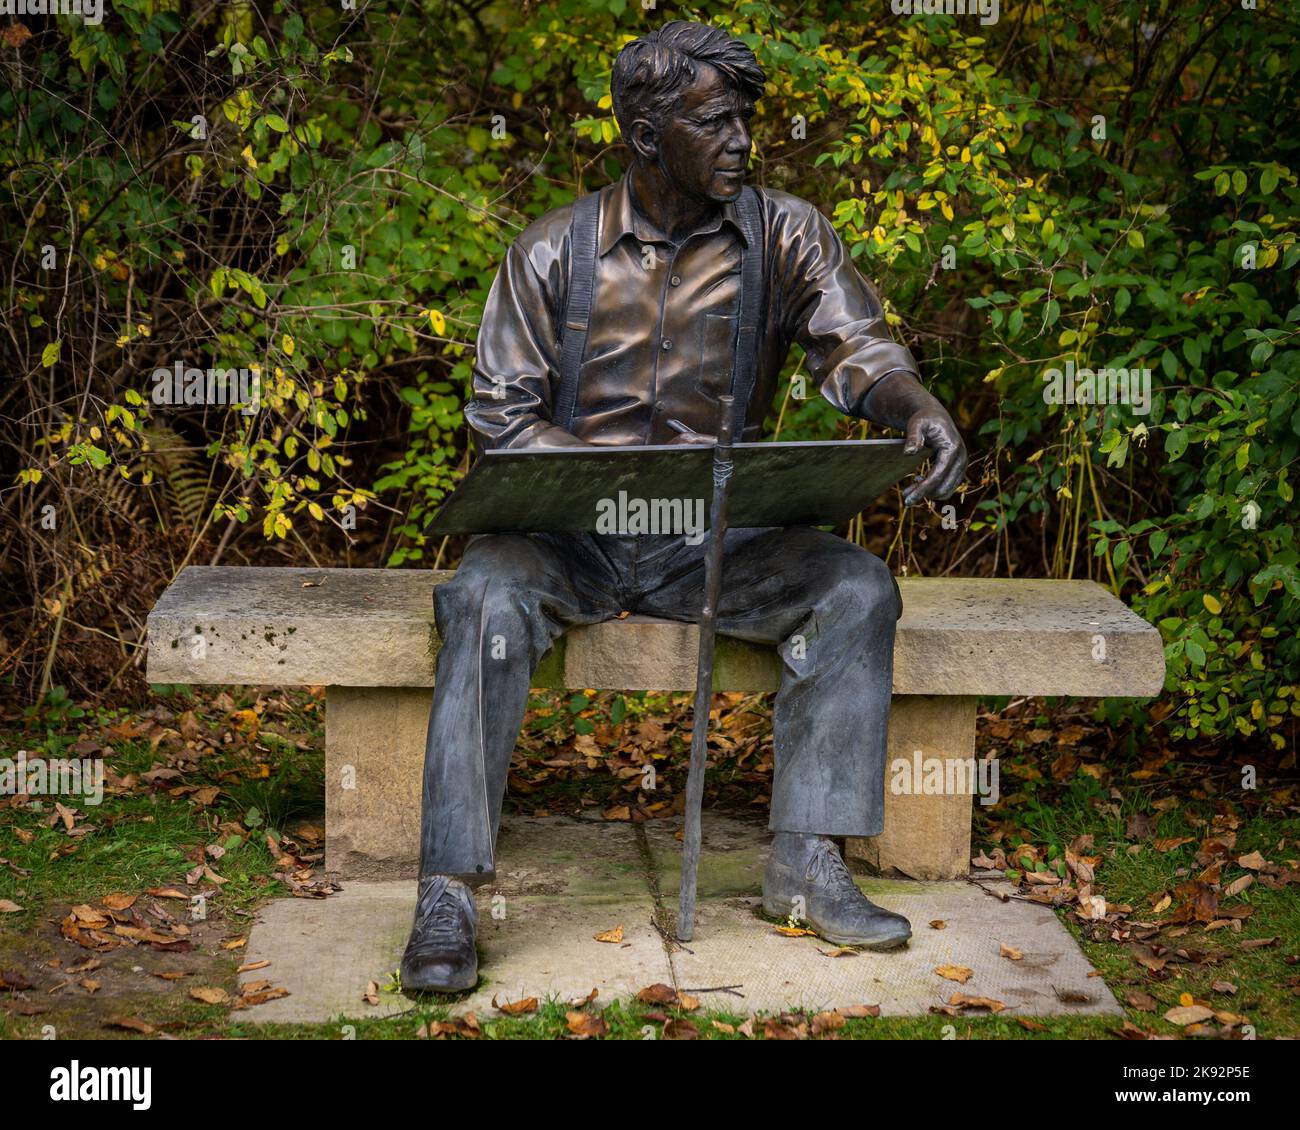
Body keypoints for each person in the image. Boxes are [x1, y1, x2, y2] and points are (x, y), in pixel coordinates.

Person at [401, 20, 966, 992]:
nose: (742, 138)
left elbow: (857, 349)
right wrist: (601, 482)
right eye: (716, 120)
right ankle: (448, 886)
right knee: (485, 598)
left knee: (856, 585)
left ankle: (804, 862)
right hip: (566, 539)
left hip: (716, 541)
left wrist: (912, 404)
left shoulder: (784, 232)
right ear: (646, 133)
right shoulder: (548, 256)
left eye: (745, 116)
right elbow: (500, 421)